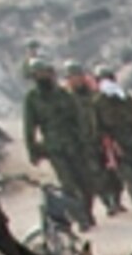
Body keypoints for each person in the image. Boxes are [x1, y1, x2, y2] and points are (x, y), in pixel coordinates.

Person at [22, 59, 99, 227]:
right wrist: (32, 150)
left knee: (87, 183)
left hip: (76, 145)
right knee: (69, 186)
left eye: (45, 73)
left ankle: (87, 211)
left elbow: (80, 119)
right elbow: (29, 127)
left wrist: (87, 140)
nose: (42, 77)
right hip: (55, 148)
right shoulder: (32, 99)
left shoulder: (64, 95)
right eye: (38, 74)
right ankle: (81, 218)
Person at [94, 74, 132, 218]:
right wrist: (105, 144)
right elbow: (97, 127)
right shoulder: (98, 103)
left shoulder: (125, 98)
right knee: (129, 176)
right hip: (116, 144)